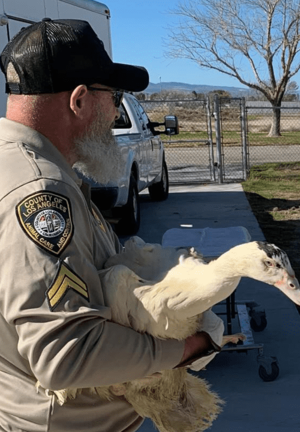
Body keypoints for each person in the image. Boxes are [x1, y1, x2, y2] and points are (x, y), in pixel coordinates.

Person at [0, 19, 217, 431]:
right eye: (113, 96)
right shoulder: (41, 192)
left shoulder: (22, 166)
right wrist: (186, 348)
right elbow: (66, 353)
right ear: (79, 100)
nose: (117, 111)